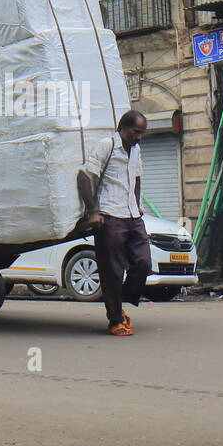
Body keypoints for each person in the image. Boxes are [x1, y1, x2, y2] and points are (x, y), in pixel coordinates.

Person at [77, 110, 149, 336]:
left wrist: (136, 205)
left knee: (144, 263)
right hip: (109, 216)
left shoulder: (136, 150)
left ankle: (121, 298)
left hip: (132, 216)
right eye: (136, 132)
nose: (139, 137)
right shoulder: (106, 146)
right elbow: (84, 176)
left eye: (142, 133)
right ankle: (115, 319)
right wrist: (92, 212)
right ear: (123, 128)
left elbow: (136, 178)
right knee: (113, 272)